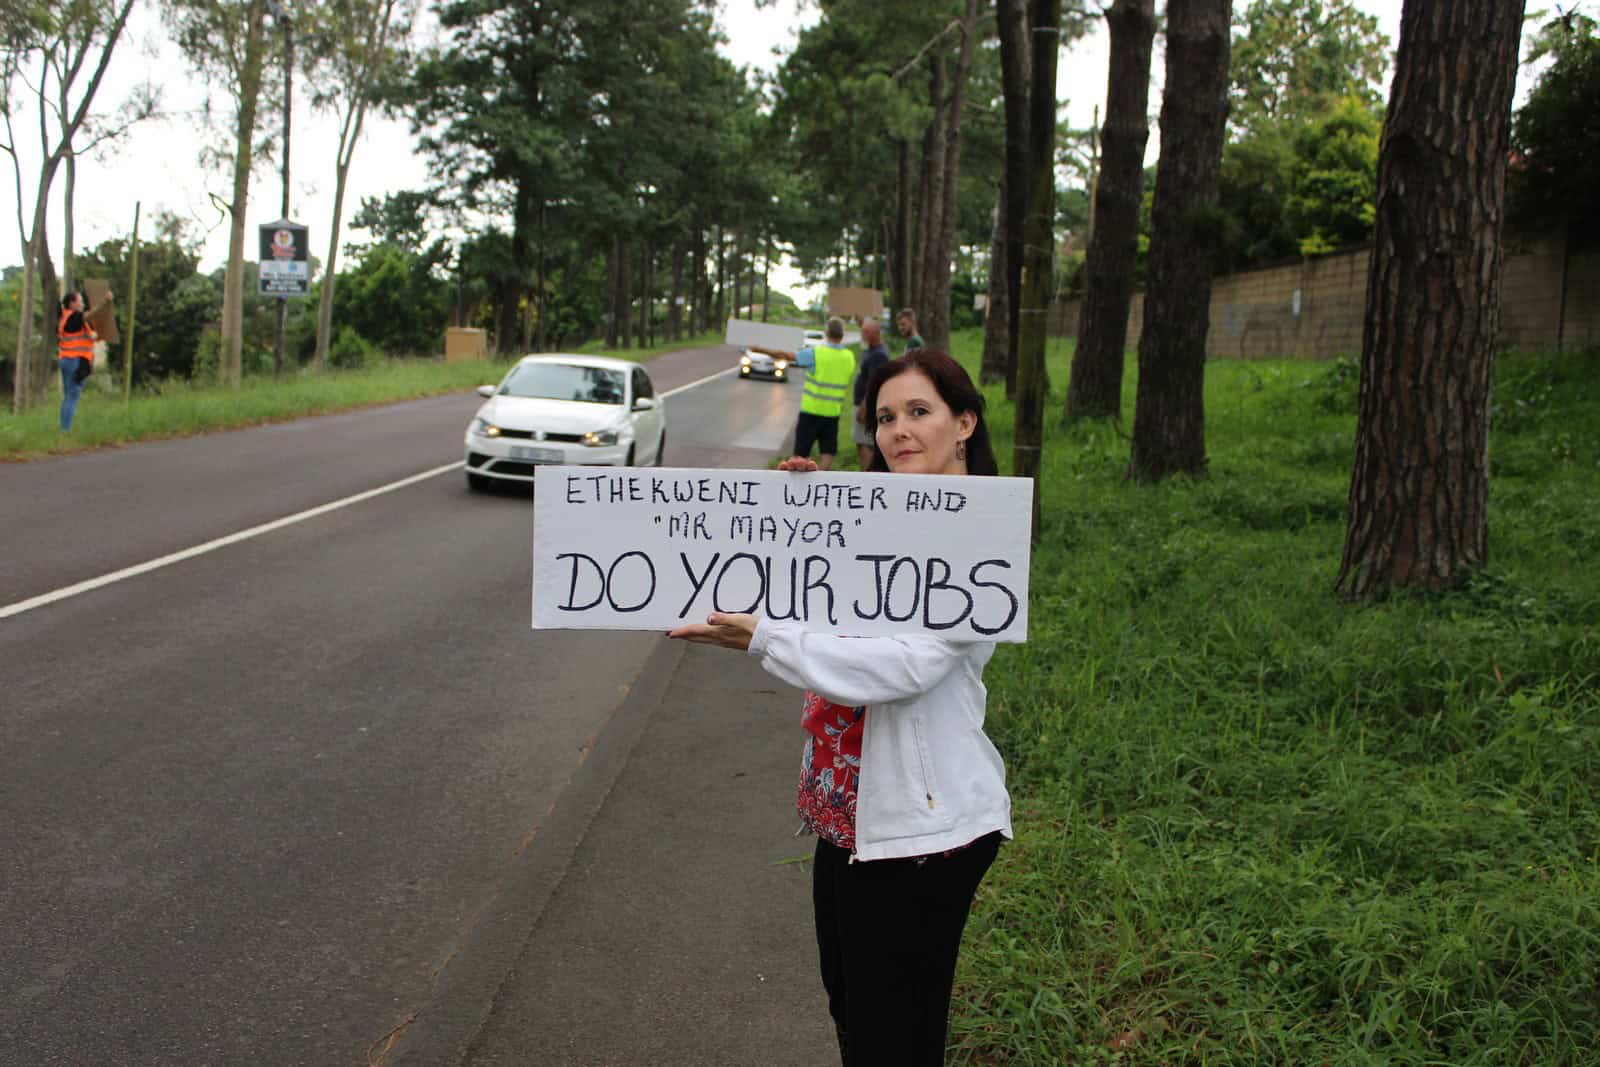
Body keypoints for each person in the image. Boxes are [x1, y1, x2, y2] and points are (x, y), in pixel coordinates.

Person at [669, 350, 1012, 1065]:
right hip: (843, 816)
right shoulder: (886, 518)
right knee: (852, 1009)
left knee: (894, 1036)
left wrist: (764, 636)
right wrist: (818, 512)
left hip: (922, 831)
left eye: (920, 412)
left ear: (965, 423)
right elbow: (836, 604)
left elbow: (904, 664)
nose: (898, 431)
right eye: (886, 416)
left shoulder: (980, 538)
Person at [790, 316, 855, 471]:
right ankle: (820, 484)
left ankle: (798, 488)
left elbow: (788, 356)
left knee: (800, 455)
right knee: (828, 453)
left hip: (810, 412)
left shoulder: (816, 353)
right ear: (842, 335)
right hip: (832, 413)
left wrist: (759, 348)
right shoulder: (849, 357)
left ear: (826, 332)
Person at [57, 288, 110, 432]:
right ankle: (65, 430)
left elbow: (85, 337)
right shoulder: (73, 317)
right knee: (72, 397)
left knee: (69, 396)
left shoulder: (66, 318)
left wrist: (96, 337)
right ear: (72, 303)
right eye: (80, 301)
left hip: (66, 359)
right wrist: (103, 303)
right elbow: (87, 315)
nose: (82, 304)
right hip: (75, 361)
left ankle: (64, 428)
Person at [850, 317, 890, 470]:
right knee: (861, 443)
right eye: (862, 331)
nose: (863, 334)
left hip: (865, 405)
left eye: (866, 331)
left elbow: (874, 384)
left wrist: (864, 406)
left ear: (876, 333)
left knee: (864, 444)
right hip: (861, 403)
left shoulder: (879, 355)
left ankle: (867, 476)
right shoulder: (871, 350)